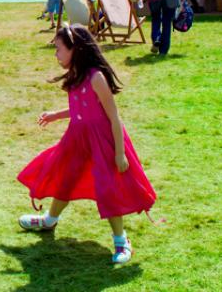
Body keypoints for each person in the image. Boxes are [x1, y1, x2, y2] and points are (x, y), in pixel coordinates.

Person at [16, 25, 156, 265]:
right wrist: (55, 115)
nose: (56, 54)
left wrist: (120, 153)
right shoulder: (75, 75)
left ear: (75, 49)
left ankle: (121, 240)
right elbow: (81, 108)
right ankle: (50, 220)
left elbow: (113, 117)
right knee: (65, 178)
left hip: (103, 140)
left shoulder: (96, 77)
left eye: (59, 49)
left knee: (107, 187)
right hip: (77, 138)